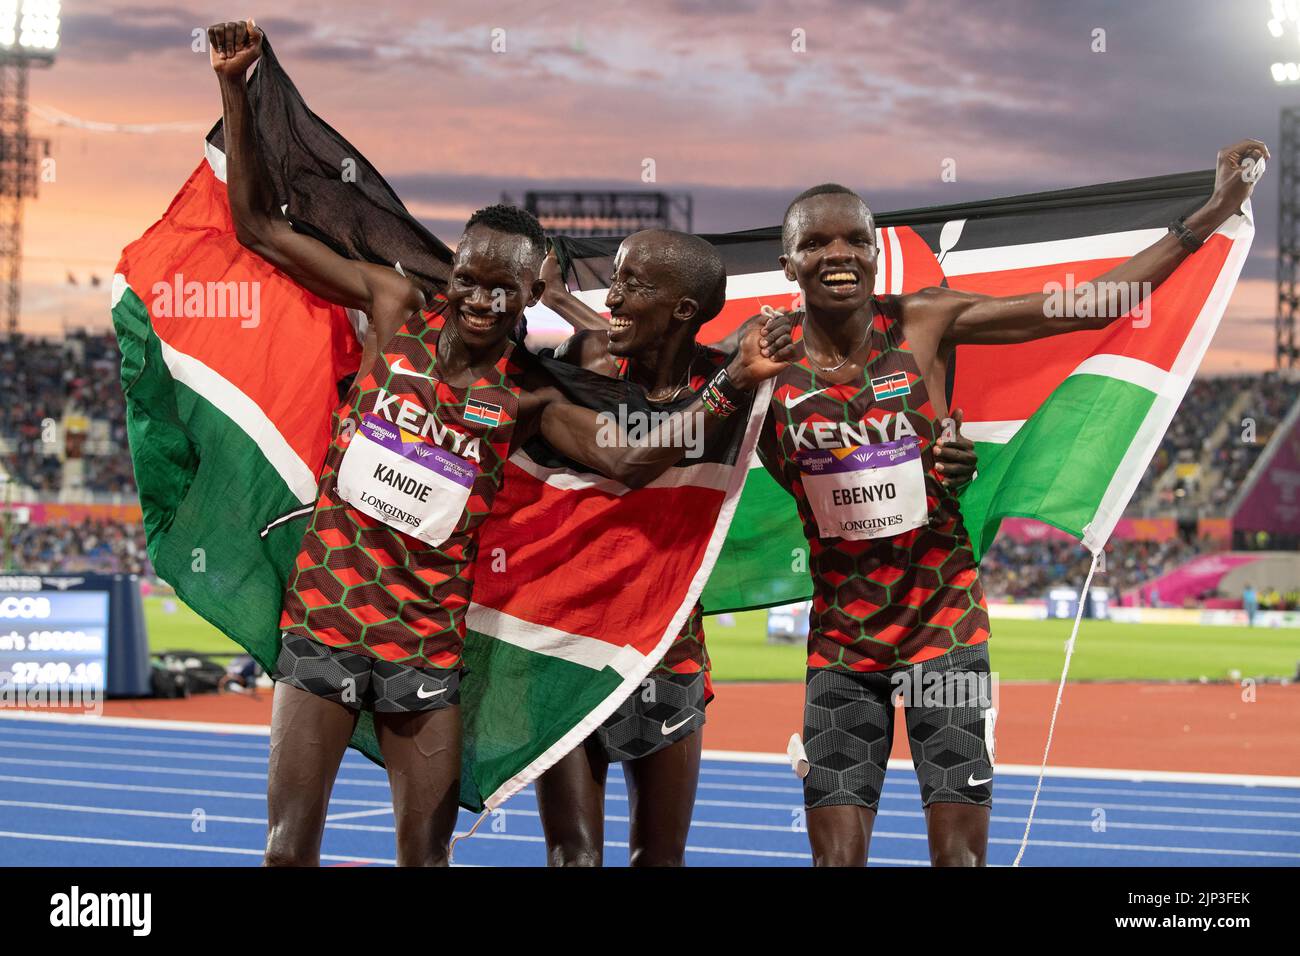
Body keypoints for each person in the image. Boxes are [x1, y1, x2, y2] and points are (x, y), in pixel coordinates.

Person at [208, 20, 795, 867]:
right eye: (470, 279)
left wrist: (732, 382)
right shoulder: (393, 309)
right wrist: (237, 83)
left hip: (425, 645)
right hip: (325, 624)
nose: (482, 301)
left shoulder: (527, 396)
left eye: (503, 289)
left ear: (532, 296)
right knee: (285, 850)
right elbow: (262, 226)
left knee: (426, 859)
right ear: (452, 272)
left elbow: (629, 456)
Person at [761, 139, 1267, 866]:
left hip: (946, 627)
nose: (836, 254)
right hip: (842, 643)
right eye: (814, 242)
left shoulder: (923, 320)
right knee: (835, 864)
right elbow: (672, 415)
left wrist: (1210, 213)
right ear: (788, 262)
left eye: (854, 240)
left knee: (960, 862)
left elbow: (1089, 308)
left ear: (878, 253)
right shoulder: (763, 360)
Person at [533, 230, 978, 866]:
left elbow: (840, 433)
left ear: (684, 309)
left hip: (667, 646)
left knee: (657, 860)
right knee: (572, 859)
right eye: (617, 284)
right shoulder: (581, 361)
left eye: (634, 285)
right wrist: (552, 297)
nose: (614, 300)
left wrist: (939, 459)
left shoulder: (735, 381)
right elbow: (626, 392)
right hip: (570, 637)